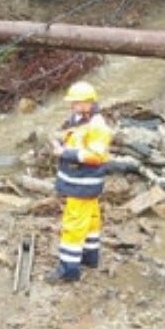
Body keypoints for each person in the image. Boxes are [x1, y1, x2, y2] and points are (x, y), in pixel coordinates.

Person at [45, 80, 113, 283]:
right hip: (80, 182)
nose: (71, 106)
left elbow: (96, 156)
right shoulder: (80, 119)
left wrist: (65, 152)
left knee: (73, 225)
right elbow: (76, 138)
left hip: (82, 184)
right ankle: (90, 258)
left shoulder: (98, 126)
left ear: (87, 103)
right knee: (91, 220)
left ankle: (68, 270)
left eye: (75, 102)